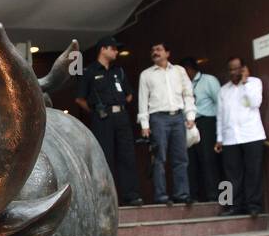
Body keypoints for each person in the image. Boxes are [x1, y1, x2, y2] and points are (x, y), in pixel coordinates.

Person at [75, 36, 143, 205]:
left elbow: (129, 94)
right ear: (103, 49)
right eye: (113, 48)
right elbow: (80, 99)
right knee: (105, 157)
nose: (116, 52)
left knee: (127, 156)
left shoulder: (117, 71)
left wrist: (117, 107)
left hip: (121, 117)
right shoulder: (89, 72)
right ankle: (107, 198)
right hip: (102, 119)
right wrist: (97, 112)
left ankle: (131, 195)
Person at [137, 42, 196, 204]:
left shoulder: (179, 71)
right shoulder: (146, 74)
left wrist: (190, 115)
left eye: (159, 50)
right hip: (157, 118)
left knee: (181, 158)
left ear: (167, 53)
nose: (155, 52)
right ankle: (161, 196)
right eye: (153, 50)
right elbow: (143, 100)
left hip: (178, 117)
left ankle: (182, 195)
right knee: (159, 159)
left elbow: (188, 94)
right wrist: (145, 125)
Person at [216, 56, 266, 216]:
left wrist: (245, 83)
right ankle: (233, 206)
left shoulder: (255, 83)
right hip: (230, 138)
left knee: (253, 172)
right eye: (230, 69)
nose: (233, 72)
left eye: (236, 68)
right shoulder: (223, 90)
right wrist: (219, 138)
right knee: (231, 174)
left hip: (252, 135)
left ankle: (254, 206)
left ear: (244, 68)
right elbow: (220, 116)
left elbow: (255, 102)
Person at [181, 56, 220, 202]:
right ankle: (193, 195)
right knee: (191, 161)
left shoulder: (208, 80)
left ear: (190, 70)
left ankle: (217, 197)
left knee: (209, 160)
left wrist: (218, 128)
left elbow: (219, 103)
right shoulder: (183, 85)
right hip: (189, 124)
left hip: (206, 122)